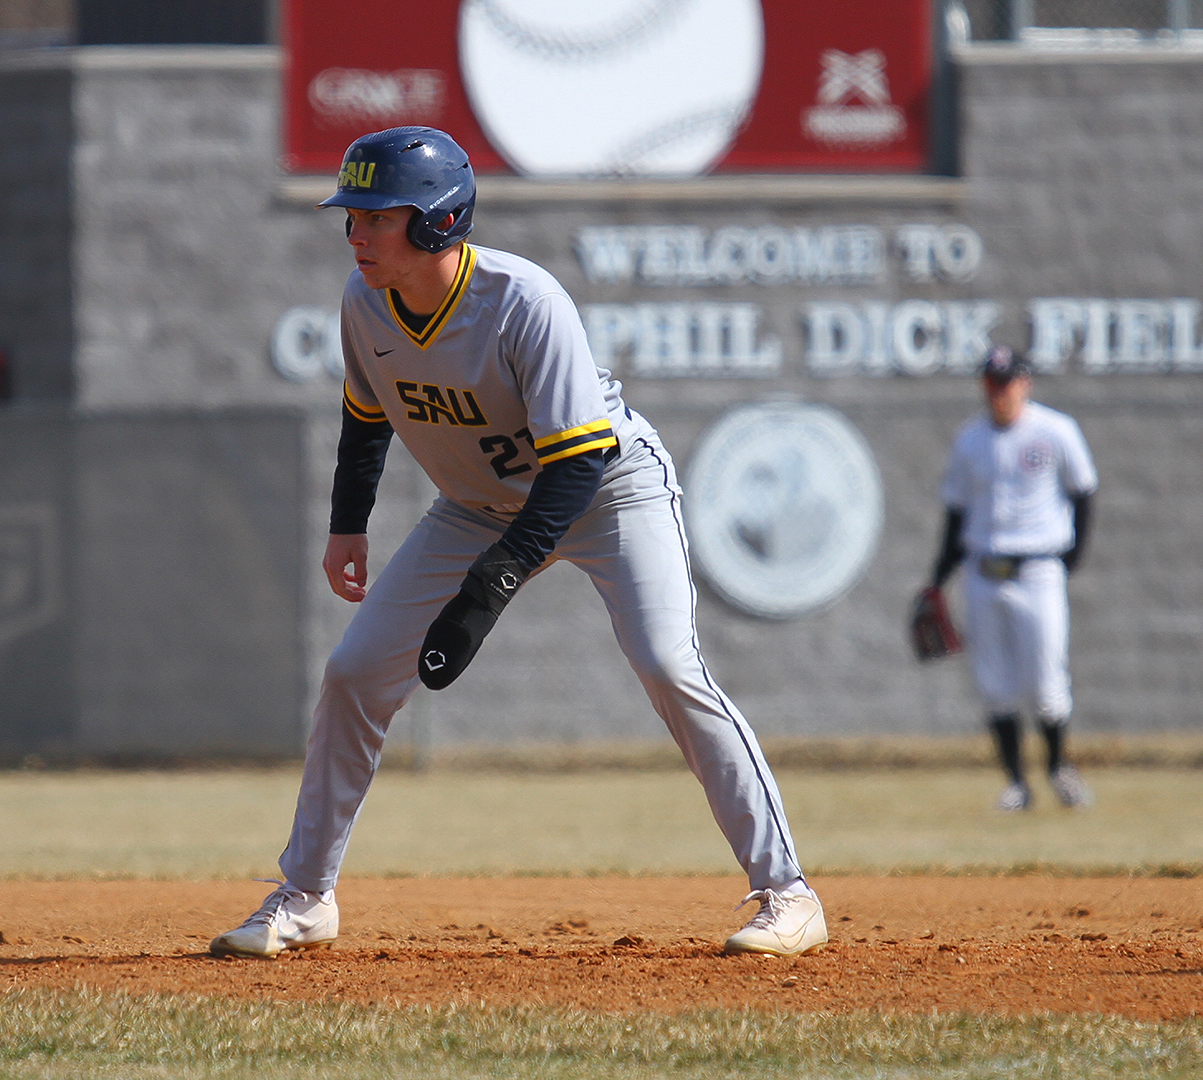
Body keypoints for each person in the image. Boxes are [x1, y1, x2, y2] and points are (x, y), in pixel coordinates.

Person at [210, 127, 825, 959]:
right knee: (354, 674)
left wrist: (484, 594)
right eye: (349, 217)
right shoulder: (364, 303)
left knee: (666, 663)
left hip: (609, 493)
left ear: (436, 223)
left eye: (375, 217)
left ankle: (787, 894)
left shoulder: (522, 300)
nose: (354, 234)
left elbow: (571, 469)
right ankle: (307, 894)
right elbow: (366, 422)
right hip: (474, 507)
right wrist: (347, 527)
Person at [929, 346, 1098, 811]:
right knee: (994, 684)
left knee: (1046, 681)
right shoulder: (970, 440)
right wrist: (936, 579)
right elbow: (956, 515)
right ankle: (1016, 784)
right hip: (983, 569)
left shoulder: (1055, 430)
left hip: (1038, 566)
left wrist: (1073, 556)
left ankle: (1059, 767)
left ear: (1025, 383)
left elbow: (1083, 492)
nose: (999, 392)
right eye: (991, 383)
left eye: (1006, 382)